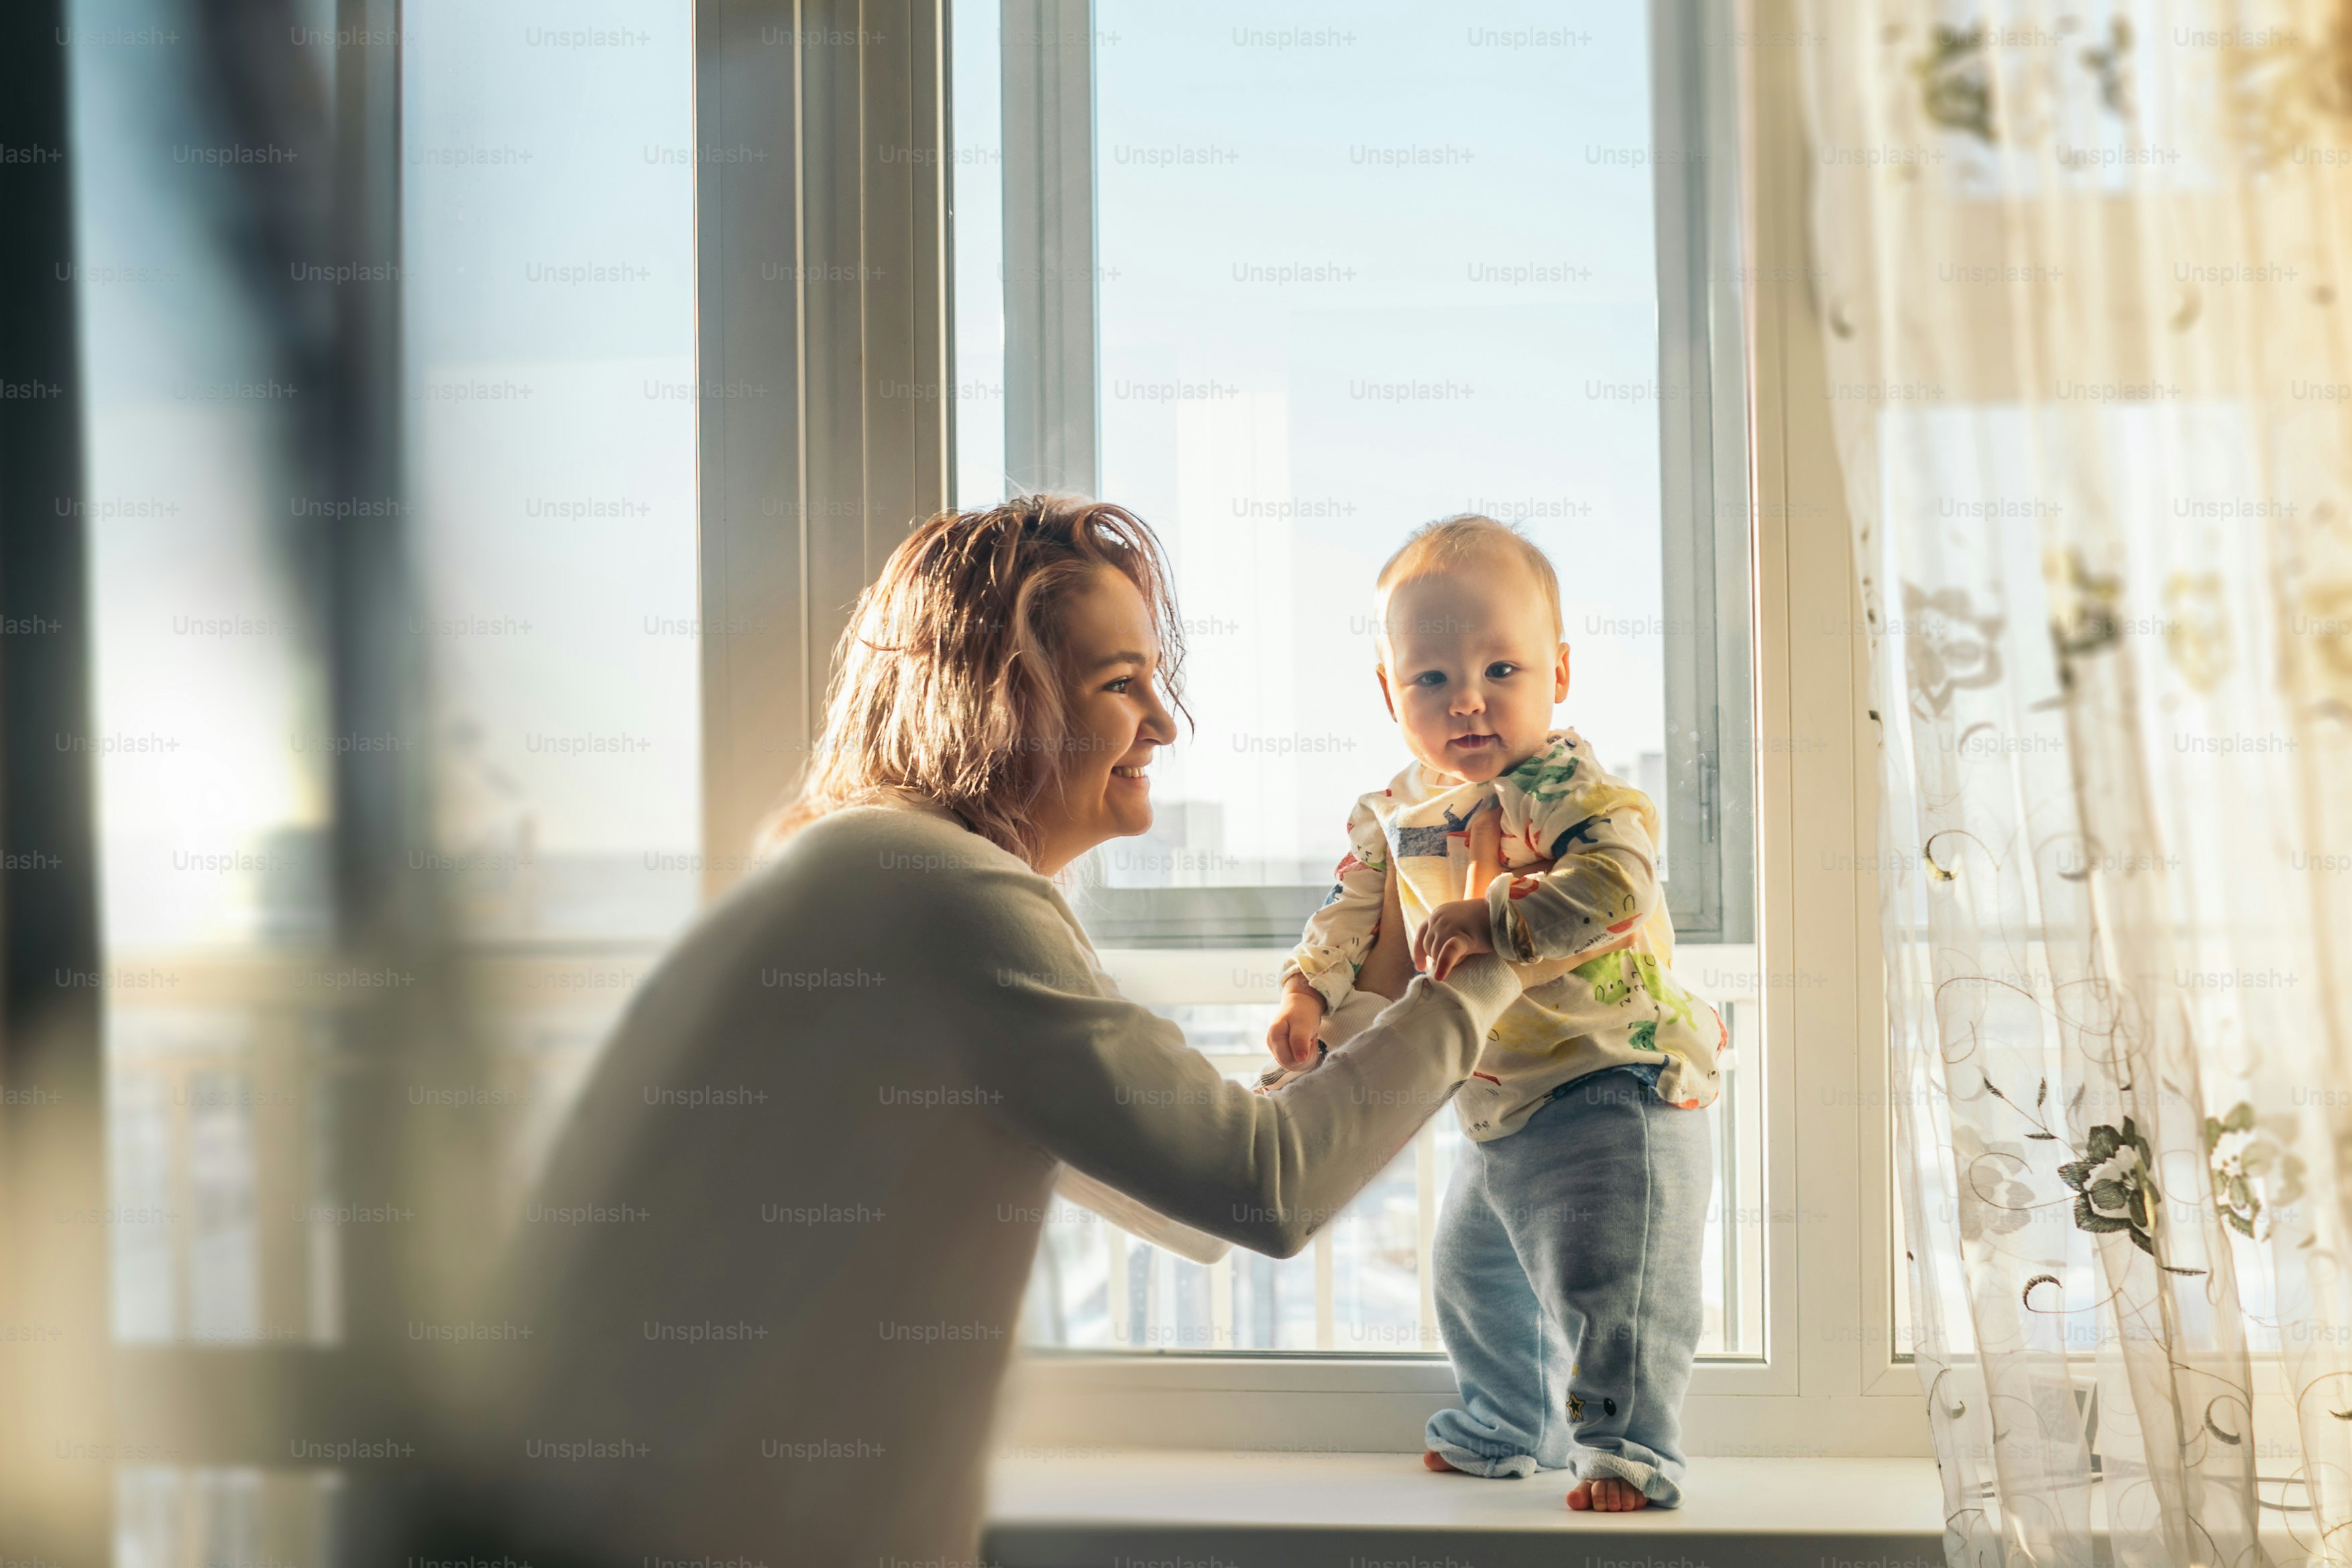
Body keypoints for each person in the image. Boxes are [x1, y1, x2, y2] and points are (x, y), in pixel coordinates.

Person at [463, 497, 1527, 1568]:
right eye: (1121, 685)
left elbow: (1199, 1201)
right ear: (997, 702)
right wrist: (1485, 969)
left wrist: (1374, 993)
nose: (1165, 724)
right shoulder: (943, 899)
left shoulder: (867, 871)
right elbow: (1270, 1187)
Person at [1266, 514, 1726, 1510]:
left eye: (1501, 669)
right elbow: (1354, 910)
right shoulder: (1399, 807)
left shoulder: (1570, 789)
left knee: (1616, 1286)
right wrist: (1310, 992)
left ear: (1558, 673)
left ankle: (1630, 1448)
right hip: (1502, 1099)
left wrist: (1497, 912)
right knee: (1474, 1271)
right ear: (1390, 692)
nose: (1467, 699)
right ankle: (1503, 1422)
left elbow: (1619, 884)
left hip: (1615, 1082)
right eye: (1431, 678)